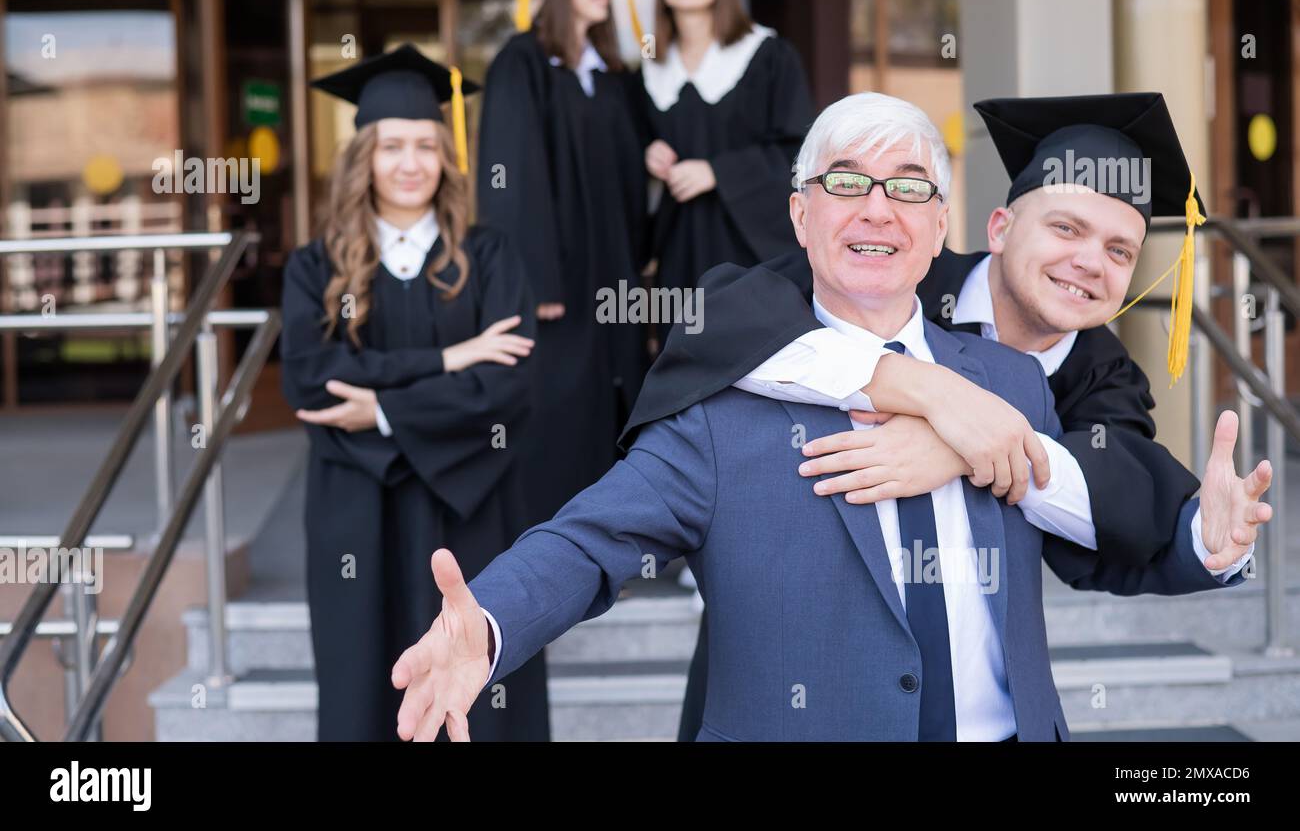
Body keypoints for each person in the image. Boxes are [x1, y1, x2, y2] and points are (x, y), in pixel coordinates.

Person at [390, 93, 1269, 742]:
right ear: (800, 218)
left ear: (940, 229)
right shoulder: (728, 388)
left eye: (909, 189)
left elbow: (1095, 525)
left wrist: (1204, 538)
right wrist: (494, 622)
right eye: (848, 184)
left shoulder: (1041, 382)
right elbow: (592, 540)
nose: (879, 207)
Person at [627, 91, 1245, 740]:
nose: (1089, 262)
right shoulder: (898, 267)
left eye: (1121, 250)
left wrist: (973, 447)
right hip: (790, 670)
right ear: (999, 228)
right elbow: (724, 326)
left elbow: (1112, 512)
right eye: (1065, 228)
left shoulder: (1102, 374)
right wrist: (925, 391)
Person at [280, 44, 549, 741]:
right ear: (363, 157)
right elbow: (311, 380)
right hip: (355, 511)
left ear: (446, 157)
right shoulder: (316, 268)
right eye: (392, 145)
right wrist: (450, 358)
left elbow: (508, 386)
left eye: (427, 146)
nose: (410, 162)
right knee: (362, 687)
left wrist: (384, 410)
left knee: (478, 696)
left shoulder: (489, 257)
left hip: (472, 505)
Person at [476, 0, 649, 528]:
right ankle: (551, 547)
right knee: (559, 407)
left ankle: (613, 541)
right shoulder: (520, 65)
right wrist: (535, 280)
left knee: (614, 399)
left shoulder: (608, 77)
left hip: (613, 275)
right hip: (557, 282)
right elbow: (510, 176)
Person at [630, 0, 814, 318]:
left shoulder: (768, 56)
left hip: (752, 253)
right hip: (680, 252)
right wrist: (648, 154)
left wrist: (718, 172)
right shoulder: (648, 72)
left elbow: (801, 154)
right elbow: (633, 145)